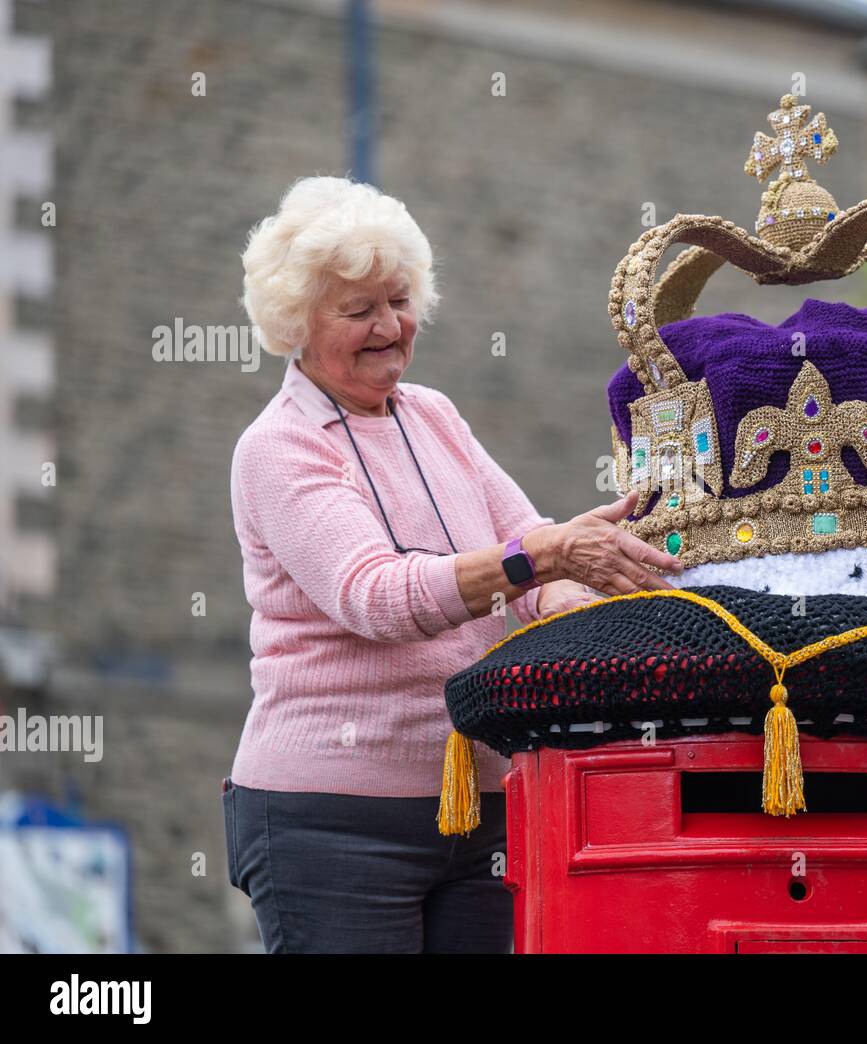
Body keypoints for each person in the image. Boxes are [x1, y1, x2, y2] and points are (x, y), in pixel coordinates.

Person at [221, 176, 681, 953]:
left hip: (482, 809)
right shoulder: (278, 448)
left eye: (398, 301)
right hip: (332, 820)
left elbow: (529, 550)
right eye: (358, 309)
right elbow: (379, 597)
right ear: (297, 322)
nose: (387, 326)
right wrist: (545, 555)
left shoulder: (434, 414)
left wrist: (591, 597)